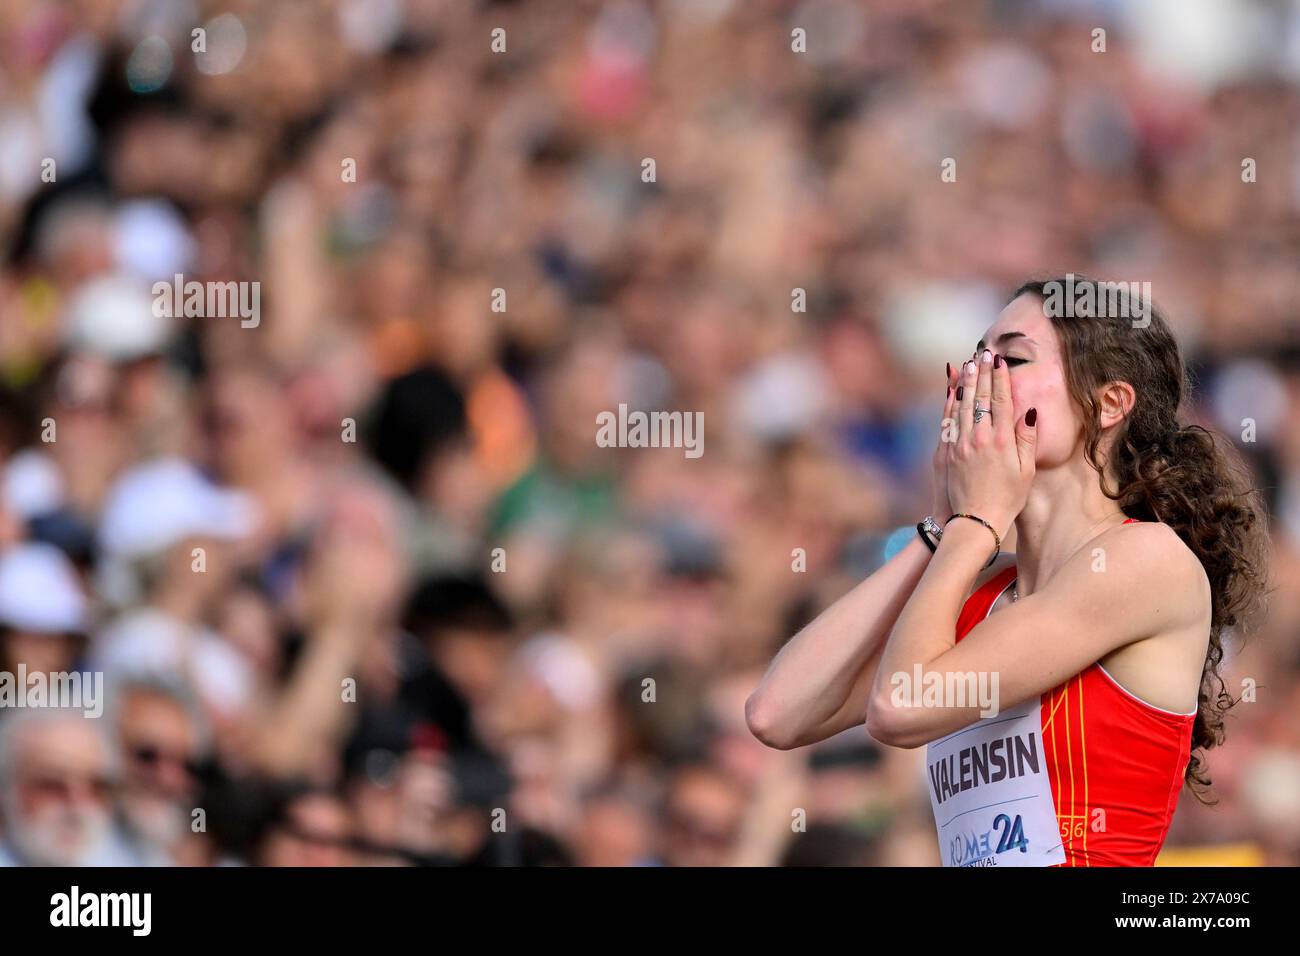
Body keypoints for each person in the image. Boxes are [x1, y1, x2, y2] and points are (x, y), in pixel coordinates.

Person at [747, 275, 1270, 867]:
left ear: (1109, 403)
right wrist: (941, 528)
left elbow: (901, 706)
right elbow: (778, 713)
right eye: (976, 357)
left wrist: (973, 522)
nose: (978, 378)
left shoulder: (1146, 559)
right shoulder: (974, 577)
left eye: (1012, 359)